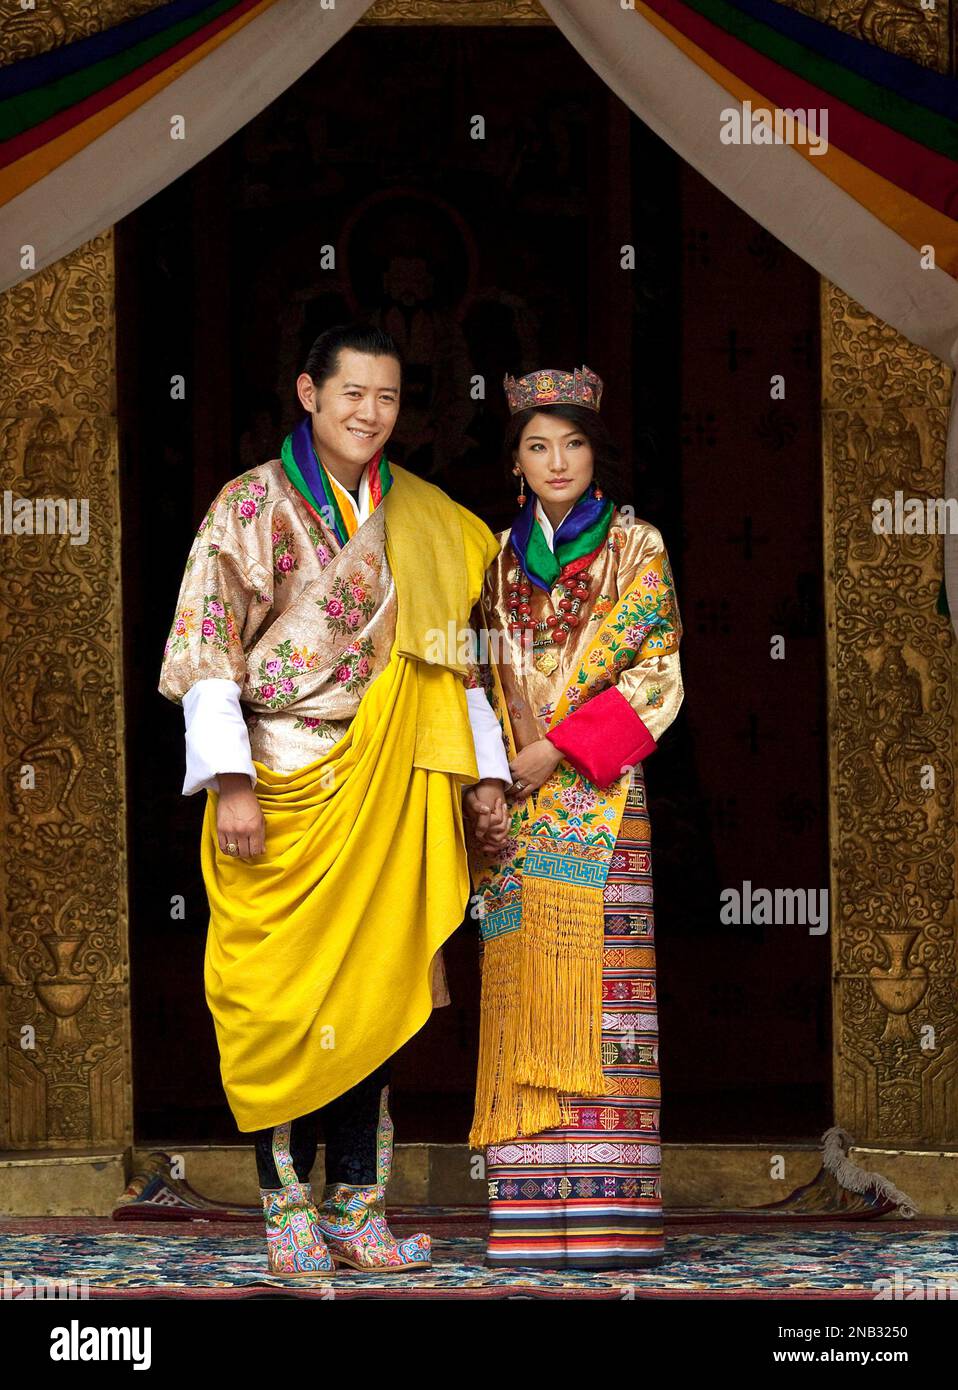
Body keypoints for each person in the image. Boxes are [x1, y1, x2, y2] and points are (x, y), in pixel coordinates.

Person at [158, 323, 508, 1276]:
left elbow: (459, 665)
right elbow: (206, 653)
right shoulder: (250, 507)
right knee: (278, 1001)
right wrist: (232, 783)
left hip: (390, 787)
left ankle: (358, 1209)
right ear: (309, 393)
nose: (370, 414)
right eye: (352, 393)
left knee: (374, 998)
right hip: (277, 785)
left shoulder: (425, 519)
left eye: (388, 399)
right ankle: (286, 1214)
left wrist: (486, 775)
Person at [463, 365, 685, 1269]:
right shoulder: (493, 558)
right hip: (511, 813)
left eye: (575, 443)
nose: (558, 461)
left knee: (602, 1005)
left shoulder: (638, 546)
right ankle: (525, 1217)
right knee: (524, 999)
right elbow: (469, 678)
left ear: (598, 452)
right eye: (538, 446)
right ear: (515, 460)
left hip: (602, 797)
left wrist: (557, 749)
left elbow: (657, 670)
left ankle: (608, 1215)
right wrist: (483, 780)